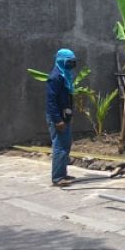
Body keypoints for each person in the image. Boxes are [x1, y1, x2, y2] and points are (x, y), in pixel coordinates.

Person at [46, 48, 77, 187]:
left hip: (65, 116)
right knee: (59, 146)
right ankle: (57, 177)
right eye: (69, 62)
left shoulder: (66, 76)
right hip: (58, 117)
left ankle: (63, 173)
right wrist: (57, 119)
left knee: (66, 145)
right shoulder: (56, 77)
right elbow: (51, 101)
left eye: (73, 62)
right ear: (61, 61)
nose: (71, 65)